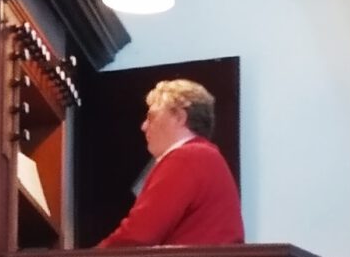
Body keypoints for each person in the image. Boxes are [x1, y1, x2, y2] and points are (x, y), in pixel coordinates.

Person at [97, 78, 244, 248]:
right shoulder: (205, 156)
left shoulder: (187, 157)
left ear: (179, 117)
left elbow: (139, 234)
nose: (144, 126)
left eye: (151, 117)